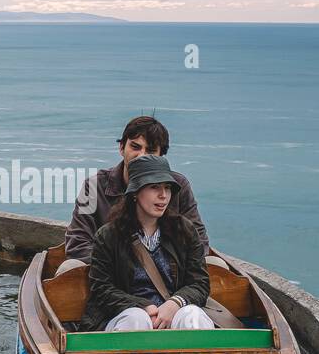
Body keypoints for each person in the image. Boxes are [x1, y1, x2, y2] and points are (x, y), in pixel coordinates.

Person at [79, 154, 214, 332]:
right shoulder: (108, 236)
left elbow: (200, 283)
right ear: (135, 192)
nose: (163, 195)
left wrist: (175, 303)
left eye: (167, 188)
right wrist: (142, 306)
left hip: (172, 314)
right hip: (124, 315)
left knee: (192, 315)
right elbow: (101, 288)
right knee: (136, 319)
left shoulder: (184, 230)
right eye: (154, 187)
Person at [61, 115, 212, 273]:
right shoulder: (94, 186)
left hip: (168, 273)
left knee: (215, 263)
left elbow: (199, 242)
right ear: (121, 148)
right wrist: (127, 270)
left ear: (160, 157)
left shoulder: (178, 186)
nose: (141, 155)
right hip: (109, 272)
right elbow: (78, 244)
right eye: (135, 147)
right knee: (69, 267)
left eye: (151, 151)